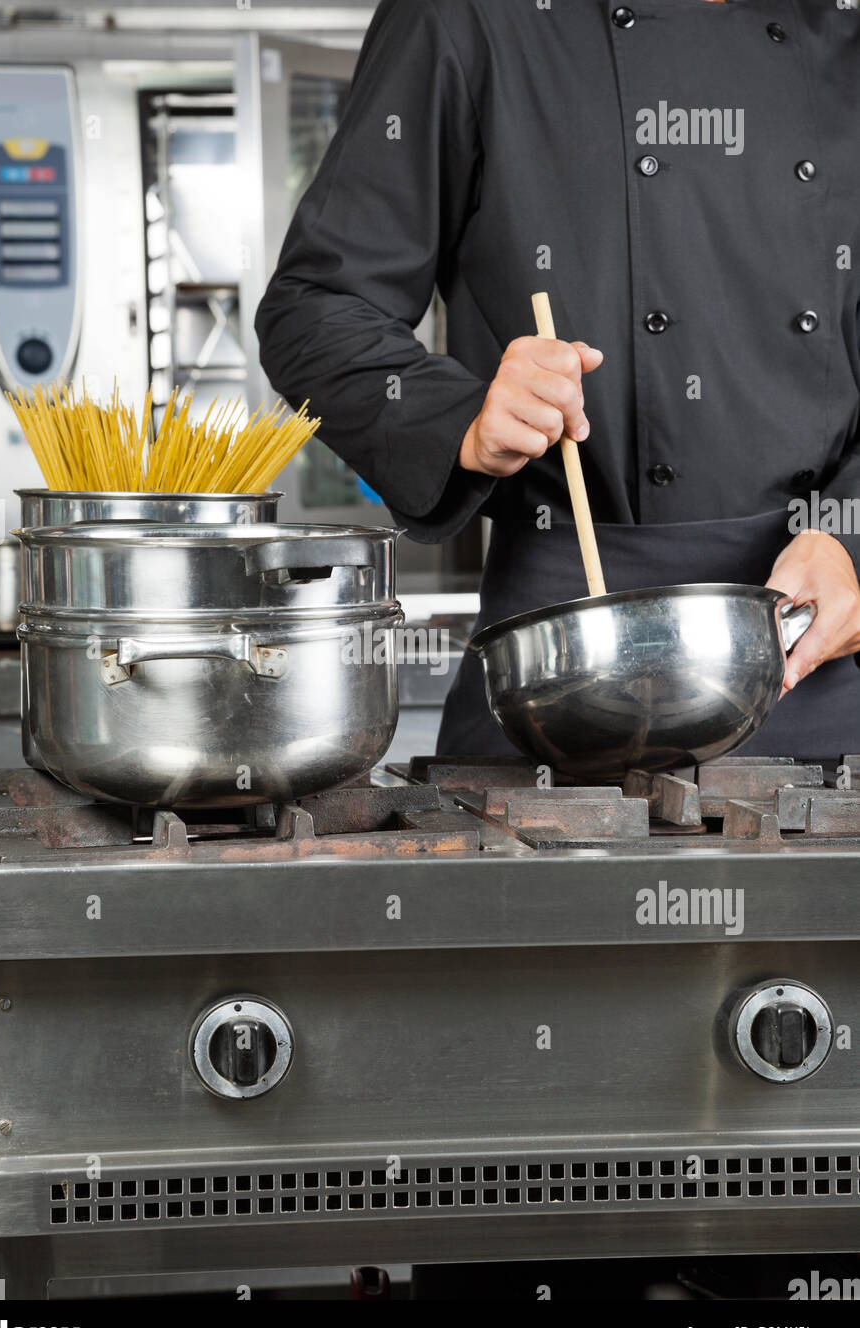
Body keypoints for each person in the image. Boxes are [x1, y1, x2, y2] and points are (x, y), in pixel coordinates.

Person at [256, 0, 860, 760]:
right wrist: (462, 418)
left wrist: (849, 543)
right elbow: (315, 308)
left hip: (819, 669)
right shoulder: (468, 17)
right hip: (558, 678)